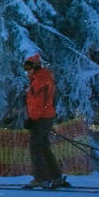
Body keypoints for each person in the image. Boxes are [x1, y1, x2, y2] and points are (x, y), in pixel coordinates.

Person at [23, 54, 66, 189]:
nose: (27, 70)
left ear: (35, 67)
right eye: (25, 67)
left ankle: (41, 178)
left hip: (40, 118)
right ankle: (55, 176)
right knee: (44, 147)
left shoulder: (40, 80)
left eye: (29, 67)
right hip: (45, 117)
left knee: (35, 148)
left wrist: (32, 119)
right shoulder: (42, 78)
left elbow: (38, 102)